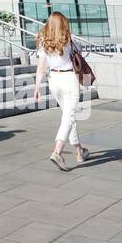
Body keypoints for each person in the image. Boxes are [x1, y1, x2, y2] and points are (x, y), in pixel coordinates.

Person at [31, 11, 90, 172]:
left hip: (54, 81)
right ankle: (57, 152)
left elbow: (41, 68)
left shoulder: (45, 43)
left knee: (67, 117)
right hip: (69, 80)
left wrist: (37, 87)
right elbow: (81, 59)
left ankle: (79, 151)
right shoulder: (71, 41)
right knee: (69, 117)